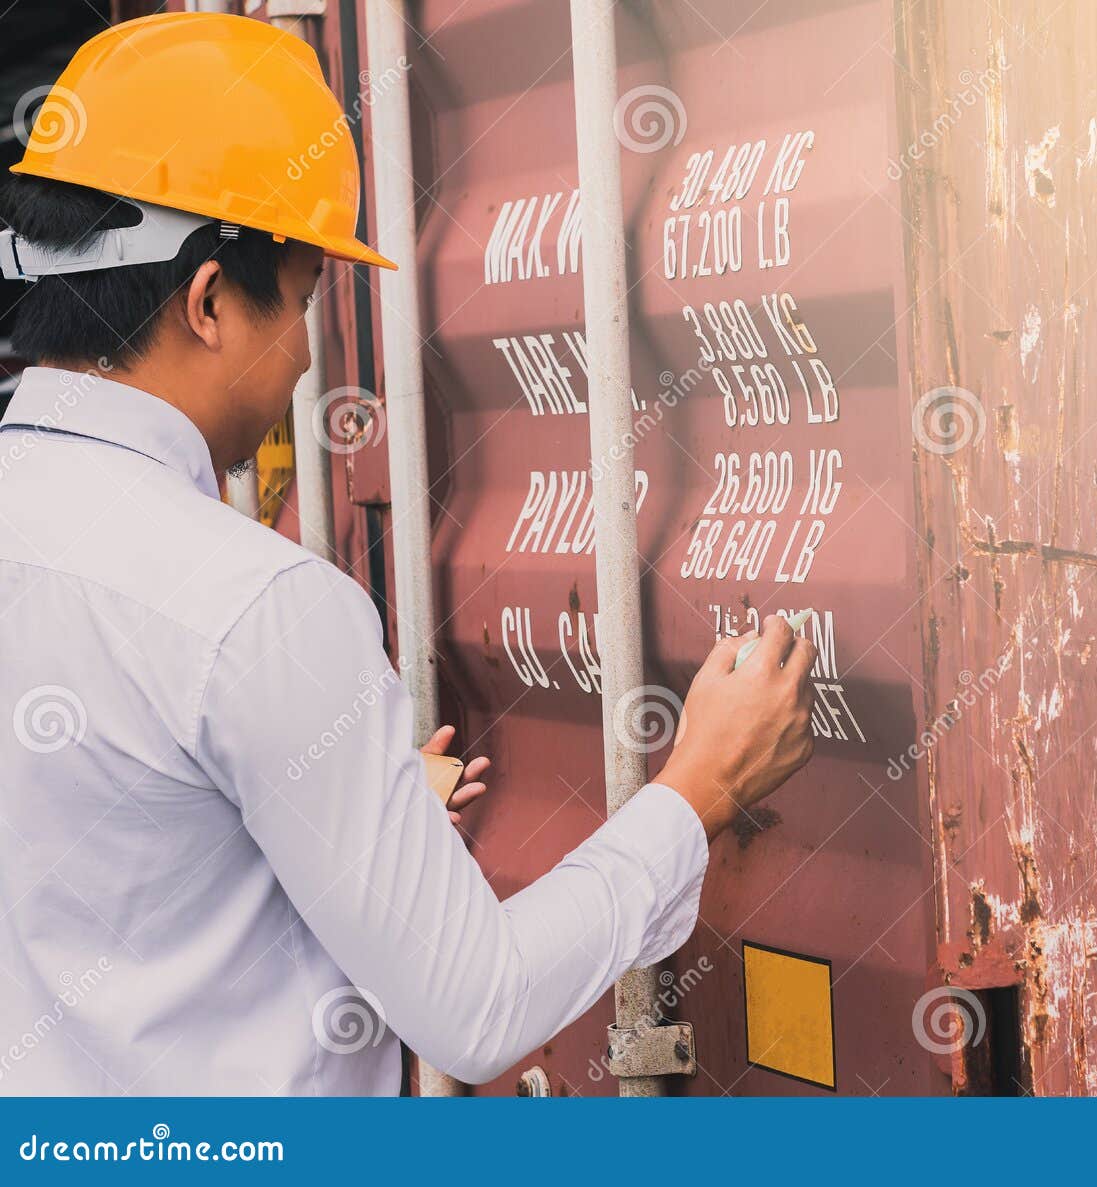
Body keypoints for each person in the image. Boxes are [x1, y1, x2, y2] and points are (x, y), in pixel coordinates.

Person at [0, 12, 815, 1095]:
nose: (300, 360)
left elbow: (95, 864)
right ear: (207, 302)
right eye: (295, 306)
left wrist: (282, 821)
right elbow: (477, 1008)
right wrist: (697, 788)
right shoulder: (256, 609)